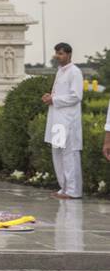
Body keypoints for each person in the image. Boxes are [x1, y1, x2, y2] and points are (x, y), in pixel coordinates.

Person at [42, 42, 84, 200]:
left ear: (69, 54)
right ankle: (64, 188)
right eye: (57, 53)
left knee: (69, 154)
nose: (58, 56)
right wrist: (50, 97)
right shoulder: (60, 71)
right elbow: (58, 95)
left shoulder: (75, 72)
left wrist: (55, 99)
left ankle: (73, 190)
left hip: (68, 121)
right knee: (58, 153)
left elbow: (76, 96)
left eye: (61, 53)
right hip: (57, 120)